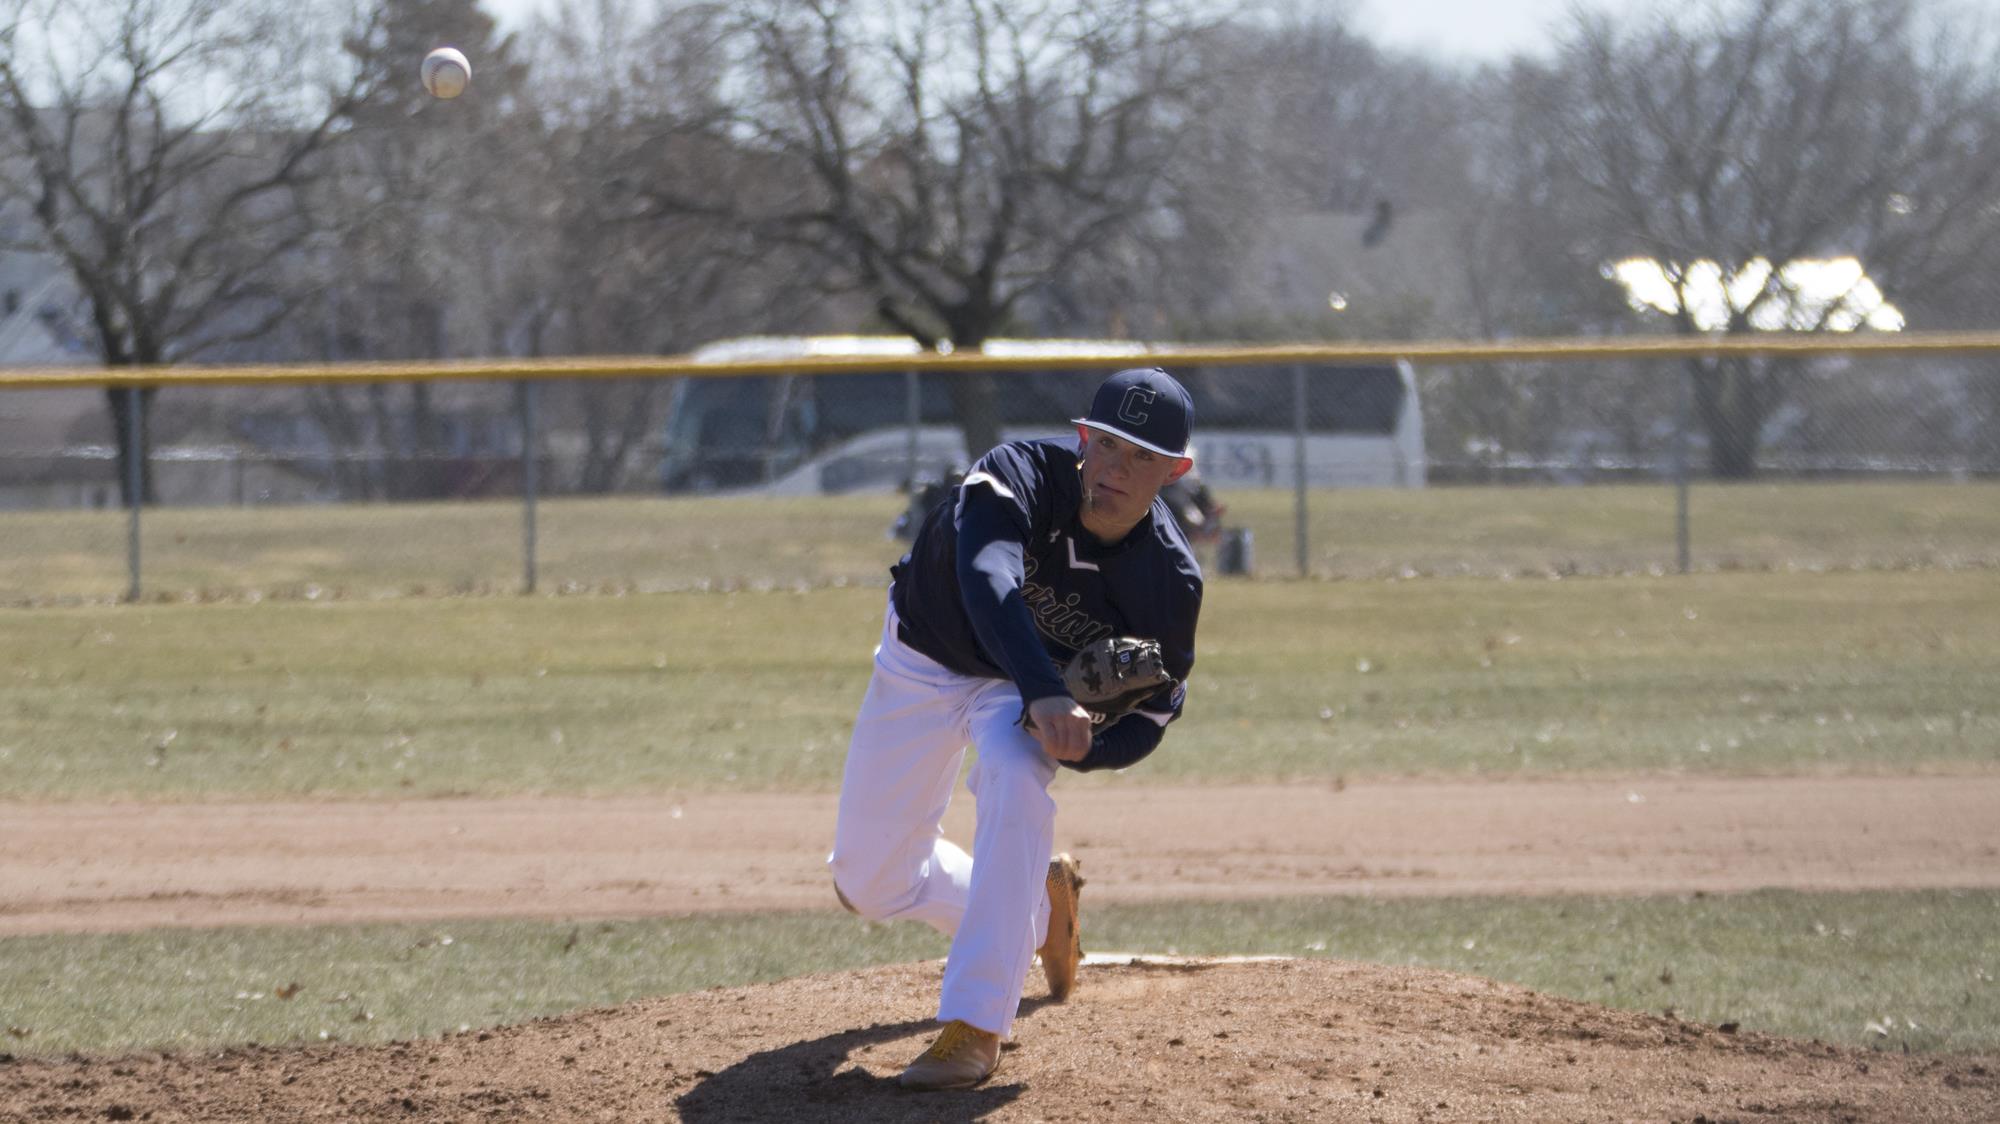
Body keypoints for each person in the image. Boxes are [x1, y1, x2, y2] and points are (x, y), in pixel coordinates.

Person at [827, 366, 1205, 1090]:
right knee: (868, 883)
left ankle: (975, 1027)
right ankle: (1038, 909)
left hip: (1017, 691)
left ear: (1177, 470)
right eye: (1109, 445)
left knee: (1016, 774)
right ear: (1083, 437)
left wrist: (1087, 742)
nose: (1118, 469)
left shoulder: (1170, 580)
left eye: (1144, 458)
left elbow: (1156, 710)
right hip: (925, 654)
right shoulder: (1016, 473)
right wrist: (1046, 690)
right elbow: (988, 574)